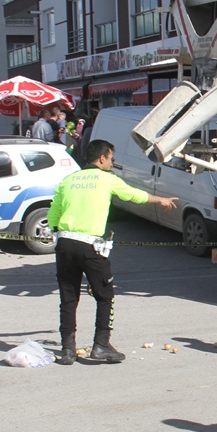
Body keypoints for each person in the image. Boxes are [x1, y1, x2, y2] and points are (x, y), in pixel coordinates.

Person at [47, 140, 178, 364]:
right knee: (105, 295)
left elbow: (54, 213)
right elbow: (132, 195)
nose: (112, 162)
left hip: (65, 244)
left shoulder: (67, 180)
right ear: (102, 158)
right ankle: (101, 345)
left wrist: (57, 232)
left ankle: (67, 350)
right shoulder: (106, 179)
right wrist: (160, 199)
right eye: (111, 158)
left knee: (68, 298)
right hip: (91, 246)